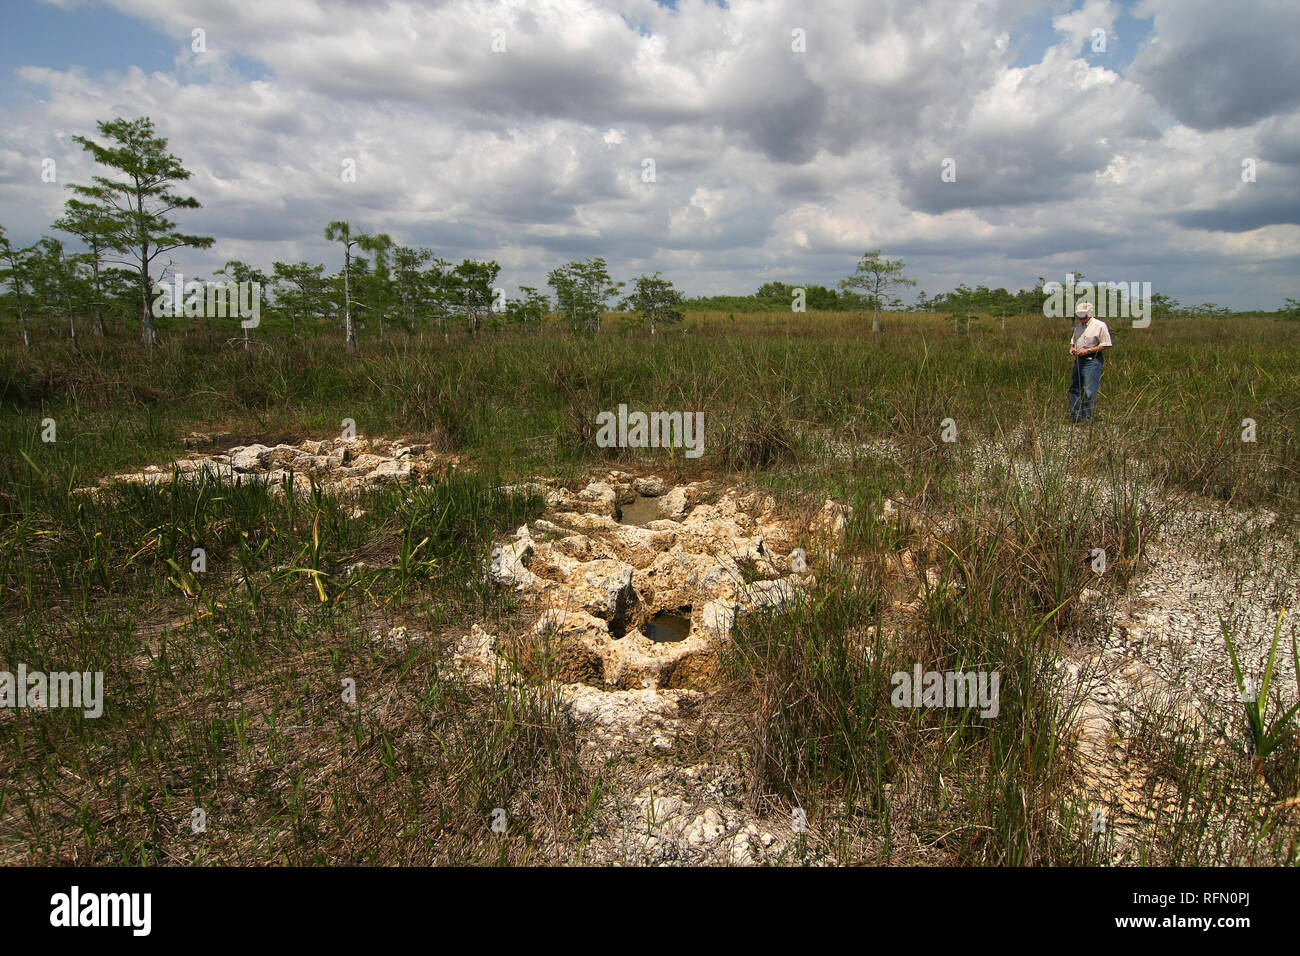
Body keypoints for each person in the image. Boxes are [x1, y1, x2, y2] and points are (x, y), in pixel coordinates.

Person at [1068, 301, 1111, 421]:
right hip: (1079, 360)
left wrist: (1088, 351)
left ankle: (1087, 418)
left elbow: (1106, 344)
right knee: (1074, 388)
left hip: (1092, 360)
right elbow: (1074, 340)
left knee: (1089, 390)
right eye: (1079, 315)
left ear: (1090, 313)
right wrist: (1072, 348)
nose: (1081, 317)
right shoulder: (1079, 326)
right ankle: (1076, 417)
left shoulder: (1100, 325)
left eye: (1083, 315)